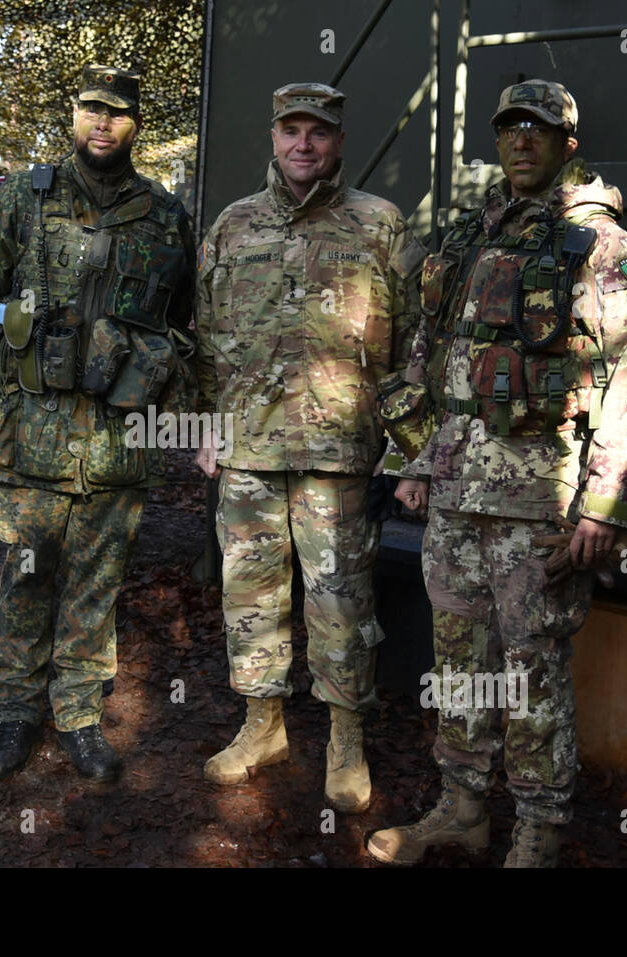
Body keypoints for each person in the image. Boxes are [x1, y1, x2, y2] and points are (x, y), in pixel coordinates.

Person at [365, 79, 627, 866]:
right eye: (510, 128)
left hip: (542, 503)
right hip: (458, 496)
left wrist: (606, 507)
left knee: (531, 669)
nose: (522, 140)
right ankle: (461, 807)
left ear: (568, 142)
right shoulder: (469, 235)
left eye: (539, 129)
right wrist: (418, 457)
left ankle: (537, 830)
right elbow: (432, 353)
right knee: (459, 659)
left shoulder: (597, 245)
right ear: (497, 142)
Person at [0, 64, 195, 782]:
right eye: (91, 108)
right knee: (26, 578)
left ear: (135, 125)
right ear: (74, 114)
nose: (102, 123)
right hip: (31, 432)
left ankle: (80, 716)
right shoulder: (21, 202)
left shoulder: (165, 216)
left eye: (117, 113)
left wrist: (165, 390)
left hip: (118, 444)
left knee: (97, 584)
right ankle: (16, 713)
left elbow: (187, 326)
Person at [194, 82, 424, 813]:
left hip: (340, 454)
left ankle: (345, 737)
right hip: (250, 452)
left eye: (317, 132)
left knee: (341, 603)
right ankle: (262, 723)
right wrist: (205, 423)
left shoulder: (378, 225)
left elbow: (415, 344)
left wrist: (410, 446)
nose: (303, 144)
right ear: (272, 137)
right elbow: (203, 336)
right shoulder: (233, 226)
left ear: (339, 142)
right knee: (251, 598)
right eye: (291, 130)